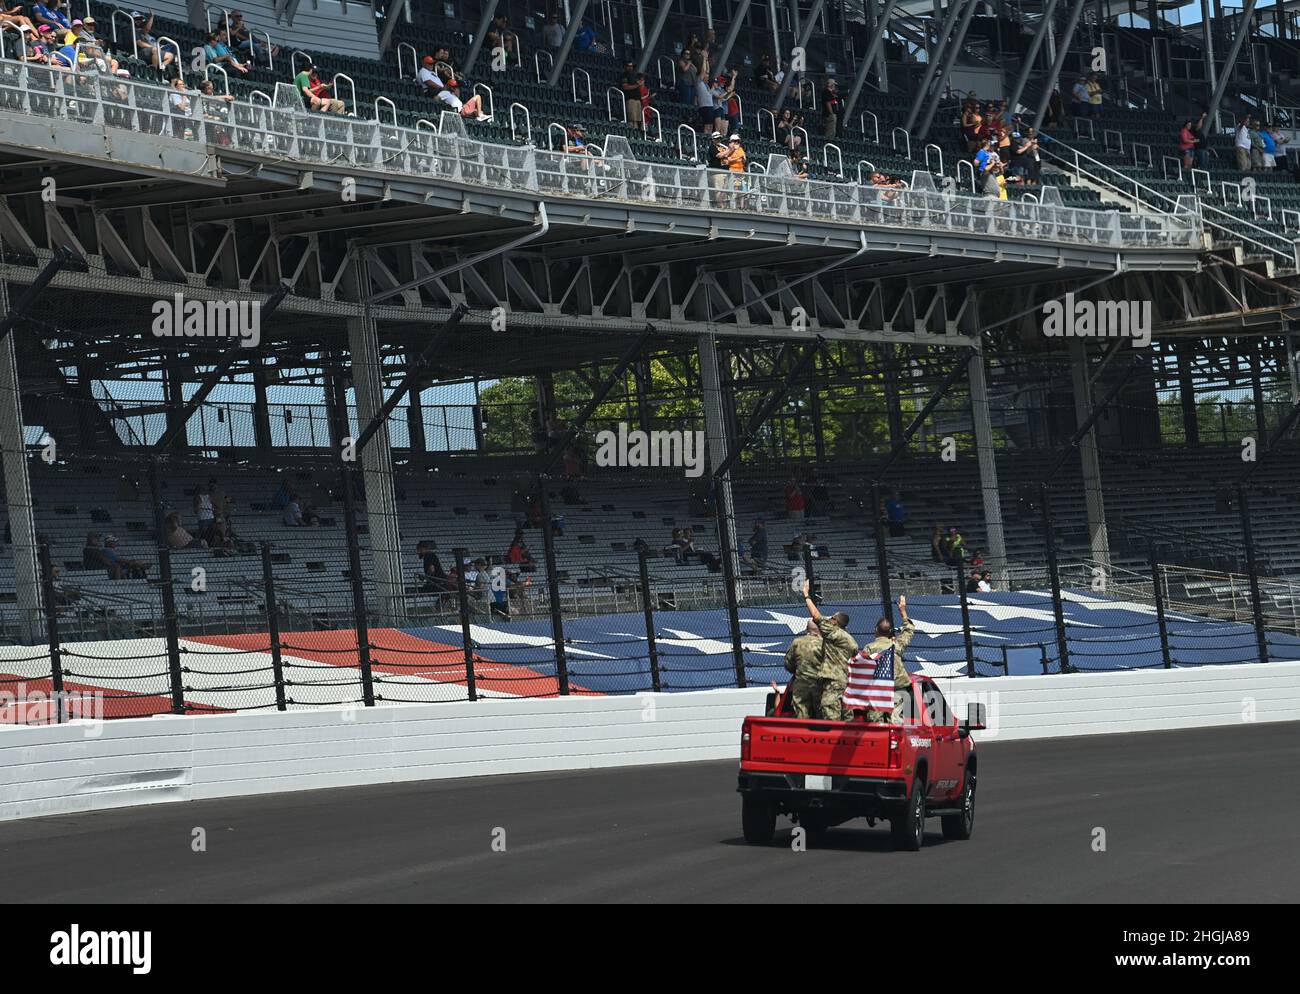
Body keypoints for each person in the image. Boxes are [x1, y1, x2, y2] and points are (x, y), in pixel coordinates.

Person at [799, 579, 858, 721]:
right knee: (846, 716)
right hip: (844, 681)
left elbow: (816, 616)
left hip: (834, 681)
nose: (829, 619)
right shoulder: (849, 639)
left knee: (829, 709)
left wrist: (806, 595)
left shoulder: (835, 634)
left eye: (832, 618)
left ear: (836, 622)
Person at [857, 595, 916, 724]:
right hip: (898, 688)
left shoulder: (869, 648)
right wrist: (903, 611)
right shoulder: (897, 645)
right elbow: (909, 630)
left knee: (876, 722)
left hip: (878, 690)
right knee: (895, 721)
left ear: (876, 630)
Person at [784, 619, 824, 719]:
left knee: (801, 714)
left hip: (801, 684)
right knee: (821, 714)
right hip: (820, 684)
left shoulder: (797, 642)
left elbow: (788, 663)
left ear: (807, 629)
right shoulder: (824, 644)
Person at [620, 60, 643, 130]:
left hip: (637, 98)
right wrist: (636, 85)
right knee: (631, 117)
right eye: (628, 66)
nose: (630, 68)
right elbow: (625, 86)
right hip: (630, 98)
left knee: (638, 118)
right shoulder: (624, 75)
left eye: (631, 66)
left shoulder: (635, 75)